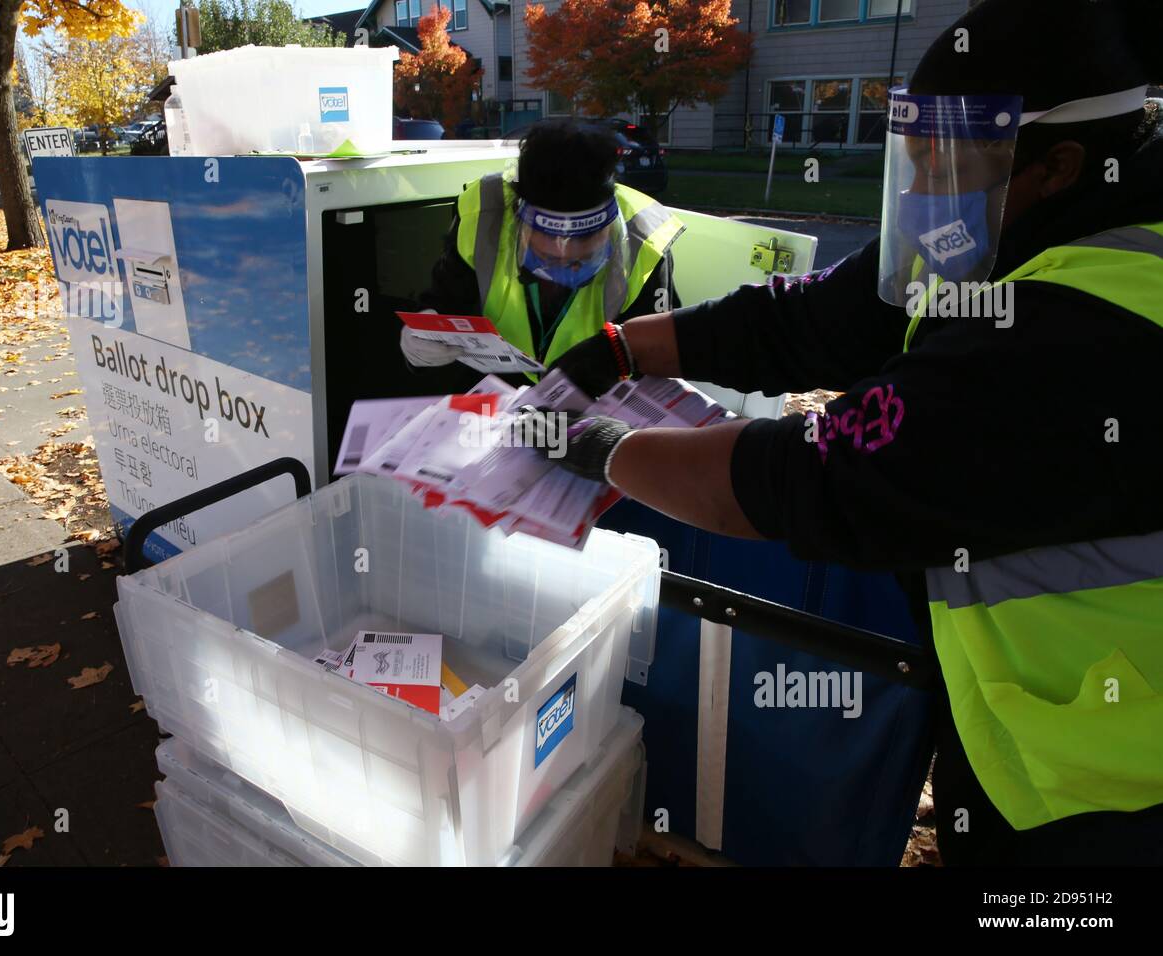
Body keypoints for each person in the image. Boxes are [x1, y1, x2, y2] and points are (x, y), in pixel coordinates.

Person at [533, 0, 1163, 865]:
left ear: (1056, 166)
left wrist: (594, 448)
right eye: (916, 160)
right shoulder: (1002, 229)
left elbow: (806, 477)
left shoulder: (1083, 326)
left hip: (1112, 791)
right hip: (1034, 724)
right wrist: (621, 348)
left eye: (950, 165)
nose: (925, 193)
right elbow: (810, 322)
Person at [401, 119, 684, 377]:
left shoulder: (645, 243)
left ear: (610, 227)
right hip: (503, 396)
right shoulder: (482, 217)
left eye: (584, 254)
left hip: (598, 403)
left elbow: (660, 357)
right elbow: (445, 304)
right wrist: (424, 336)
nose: (568, 266)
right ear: (519, 224)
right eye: (548, 257)